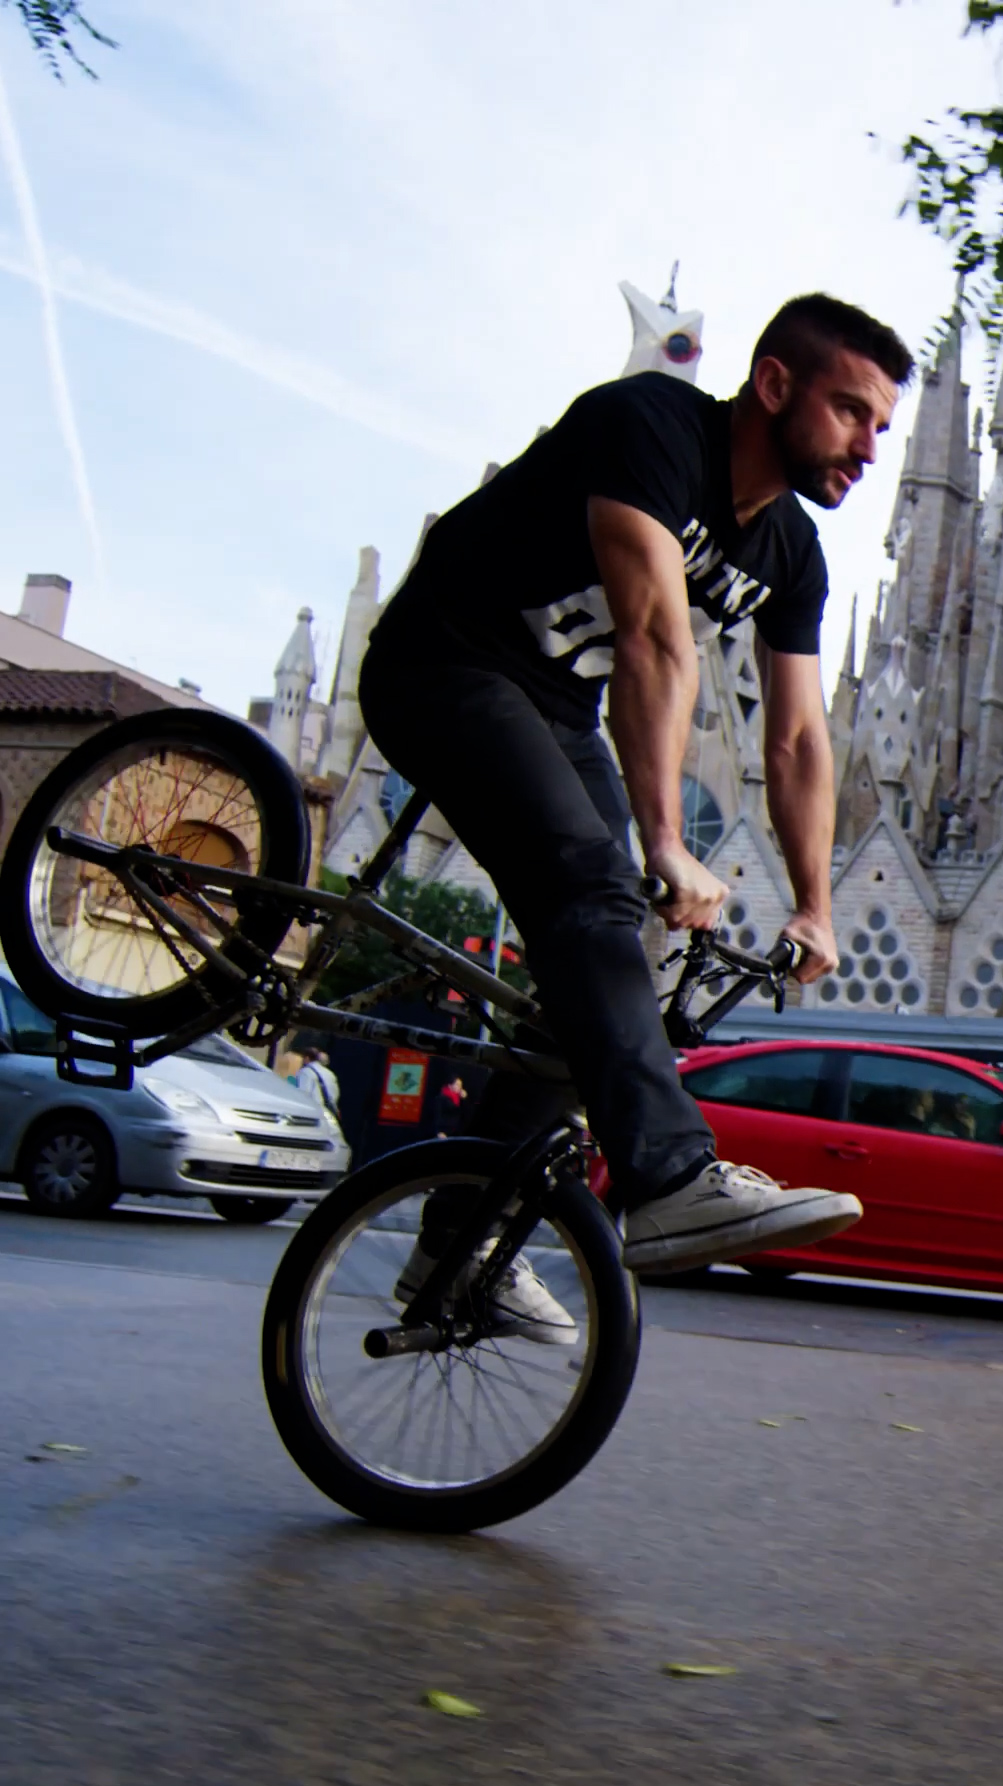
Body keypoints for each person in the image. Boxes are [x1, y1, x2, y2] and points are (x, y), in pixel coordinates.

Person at [359, 293, 913, 1342]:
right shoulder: (650, 426)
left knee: (624, 959)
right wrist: (663, 841)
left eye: (881, 427)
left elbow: (797, 741)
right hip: (448, 662)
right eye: (850, 413)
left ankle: (456, 1239)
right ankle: (666, 1177)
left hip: (559, 710)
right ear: (774, 385)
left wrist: (814, 906)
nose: (868, 448)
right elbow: (657, 636)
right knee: (593, 879)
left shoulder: (792, 553)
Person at [295, 1046, 343, 1126]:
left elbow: (303, 1094)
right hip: (327, 1115)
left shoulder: (306, 1072)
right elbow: (334, 1095)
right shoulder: (330, 1074)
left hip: (312, 1114)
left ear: (306, 1058)